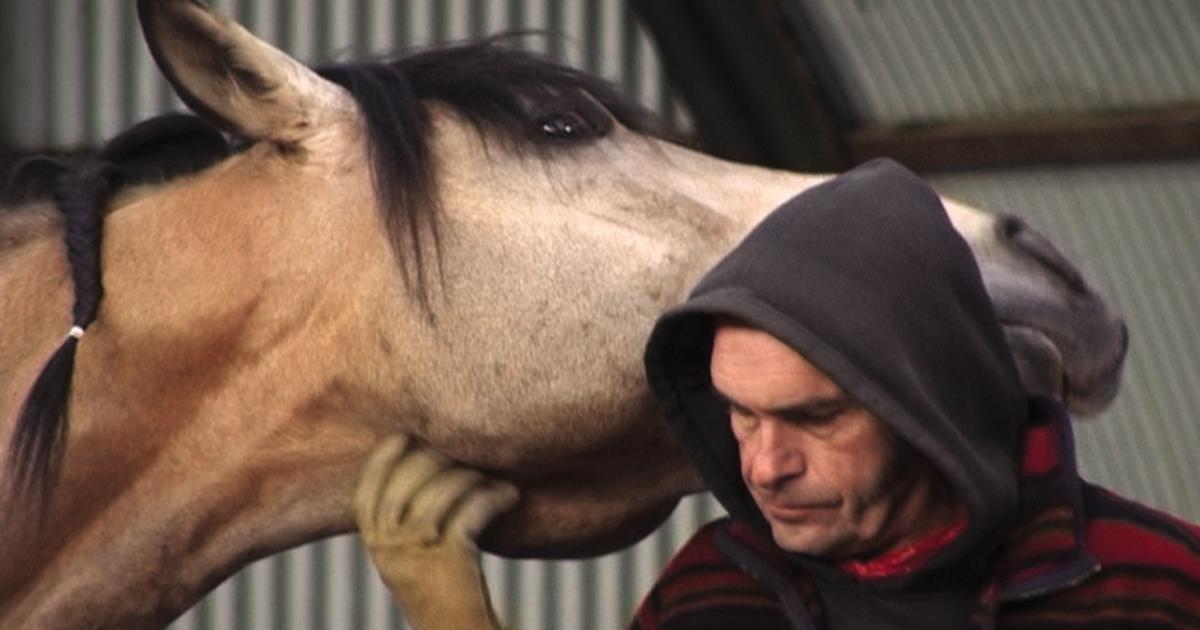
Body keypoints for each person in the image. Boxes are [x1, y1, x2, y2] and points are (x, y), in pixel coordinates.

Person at [634, 158, 1200, 629]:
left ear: (930, 400)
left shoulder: (1161, 588)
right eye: (742, 413)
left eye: (814, 417)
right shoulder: (702, 595)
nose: (764, 467)